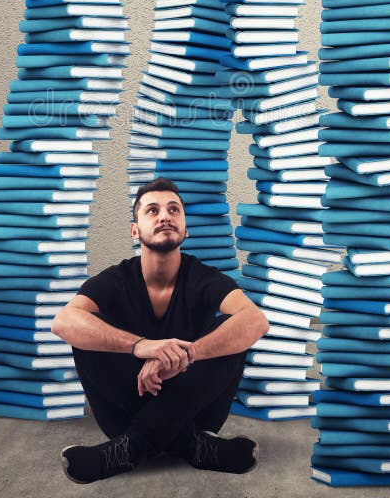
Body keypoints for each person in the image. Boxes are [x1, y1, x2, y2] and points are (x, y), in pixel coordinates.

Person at [51, 176, 269, 483]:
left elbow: (256, 321)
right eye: (152, 210)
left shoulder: (203, 277)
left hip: (194, 409)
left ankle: (126, 451)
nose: (165, 216)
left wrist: (185, 355)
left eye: (174, 210)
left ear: (185, 228)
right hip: (124, 413)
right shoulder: (117, 279)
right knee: (90, 331)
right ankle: (193, 447)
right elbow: (63, 321)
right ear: (134, 230)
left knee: (230, 332)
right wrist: (141, 346)